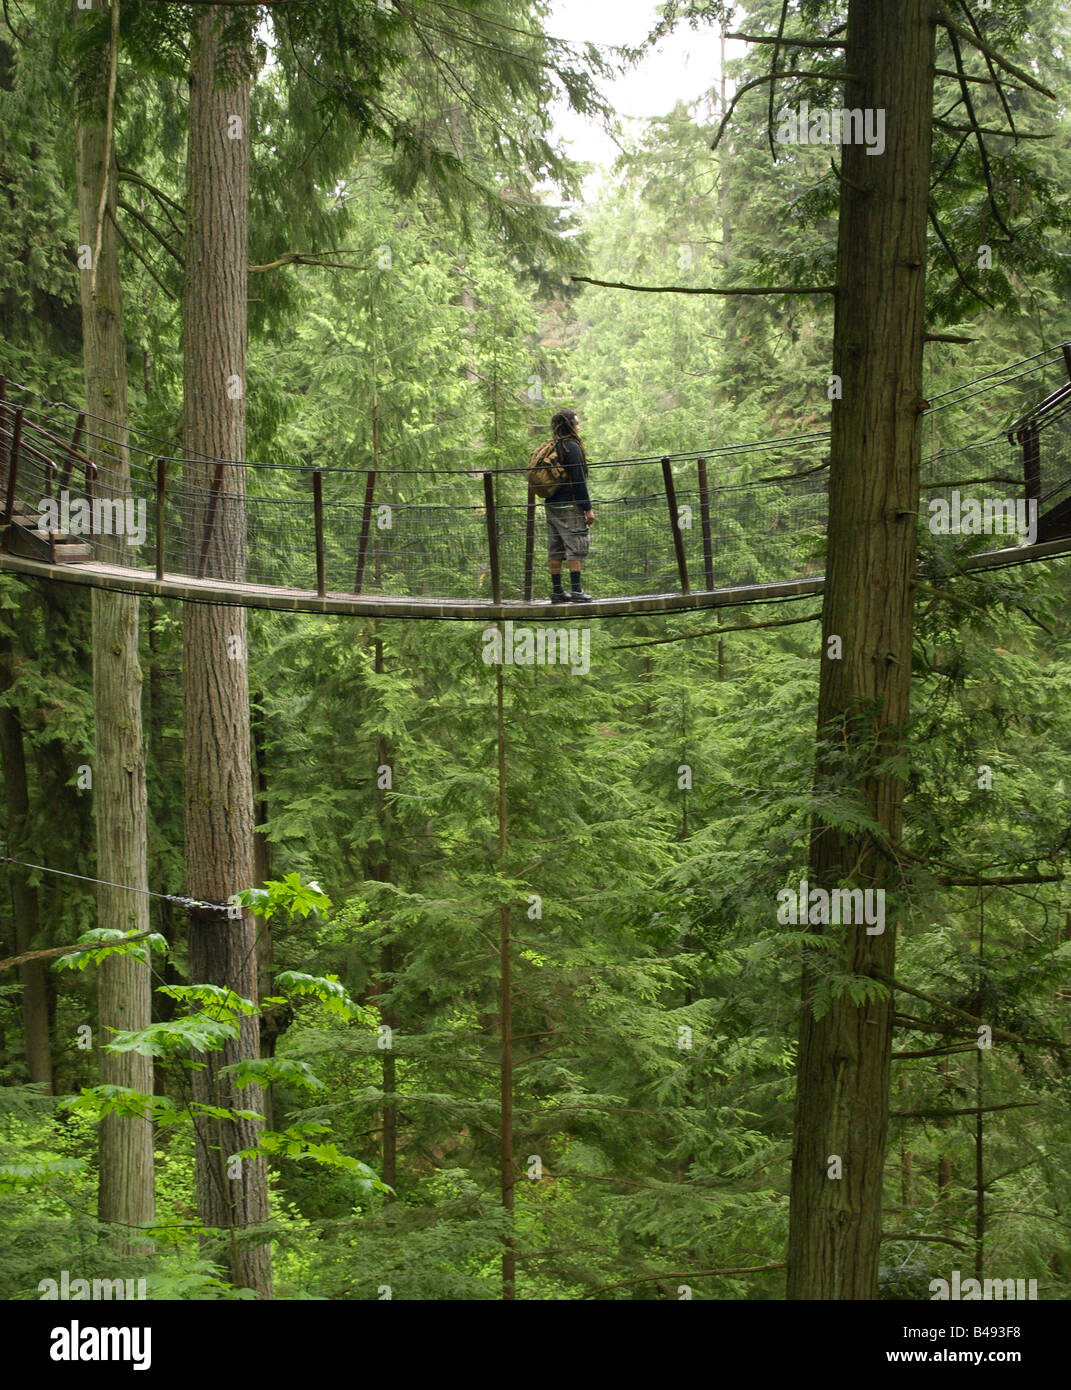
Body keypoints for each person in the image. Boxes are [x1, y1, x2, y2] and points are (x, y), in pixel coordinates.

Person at [546, 408, 594, 602]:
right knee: (575, 545)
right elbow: (578, 480)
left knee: (555, 548)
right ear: (570, 425)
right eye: (576, 423)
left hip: (551, 505)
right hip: (569, 506)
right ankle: (577, 591)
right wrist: (587, 507)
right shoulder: (571, 447)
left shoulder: (552, 447)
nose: (579, 426)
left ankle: (557, 591)